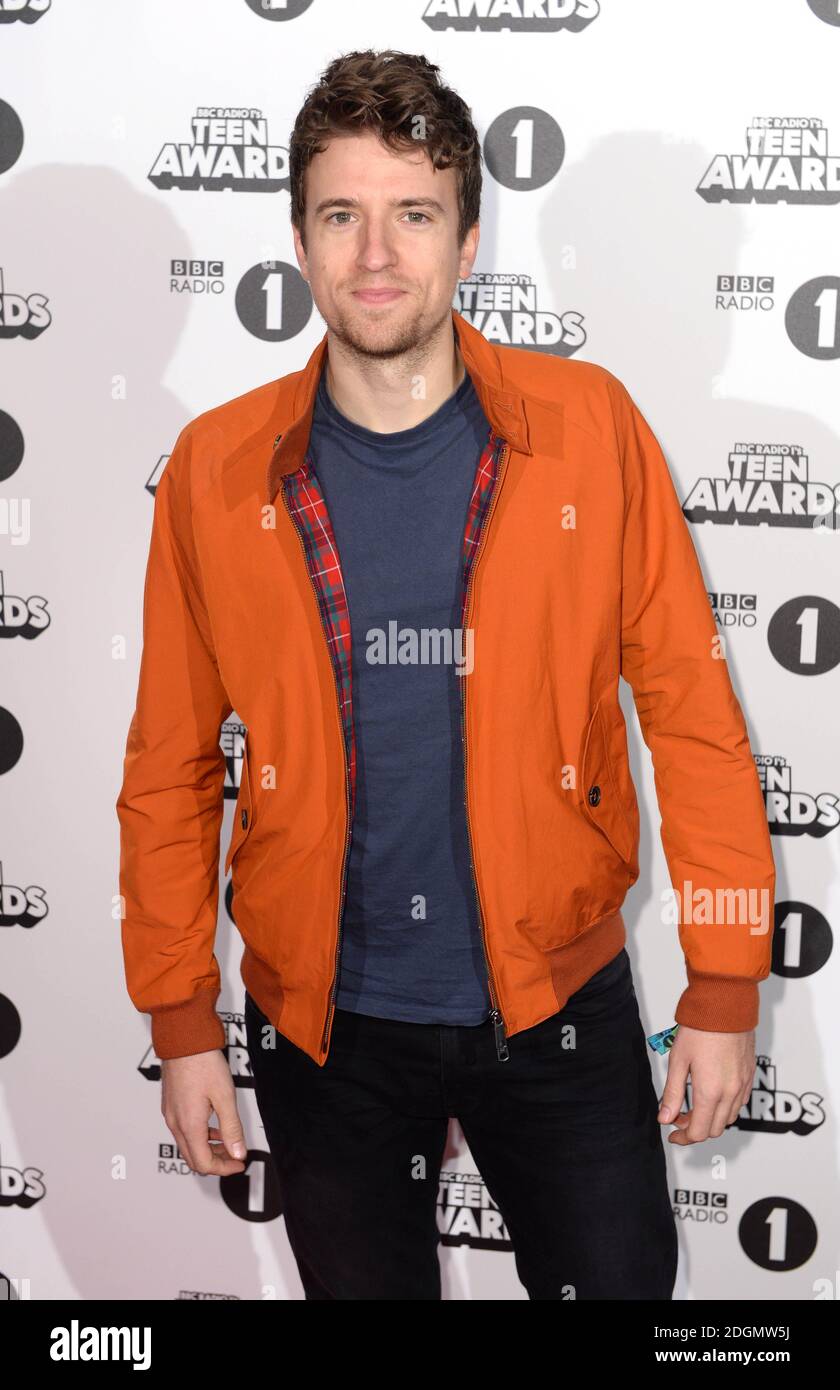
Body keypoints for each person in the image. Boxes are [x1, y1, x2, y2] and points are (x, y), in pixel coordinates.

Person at [116, 49, 776, 1300]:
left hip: (561, 1004)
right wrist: (182, 1017)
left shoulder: (591, 430)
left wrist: (726, 980)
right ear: (300, 245)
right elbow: (170, 764)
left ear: (468, 241)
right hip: (326, 1031)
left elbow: (692, 721)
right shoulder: (214, 470)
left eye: (413, 213)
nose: (377, 253)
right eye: (341, 216)